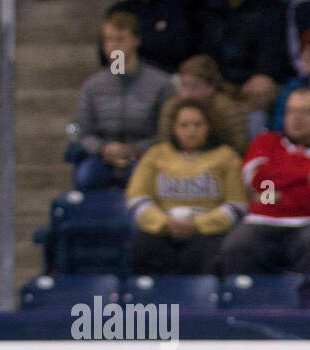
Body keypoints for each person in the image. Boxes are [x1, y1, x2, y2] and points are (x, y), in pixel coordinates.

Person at [220, 88, 310, 277]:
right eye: (291, 111)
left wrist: (276, 195)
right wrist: (307, 178)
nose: (296, 118)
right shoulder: (266, 143)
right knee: (236, 245)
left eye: (305, 112)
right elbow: (258, 181)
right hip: (260, 222)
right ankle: (240, 305)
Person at [126, 98, 248, 274]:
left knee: (208, 253)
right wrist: (164, 222)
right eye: (184, 125)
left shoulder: (227, 157)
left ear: (209, 127)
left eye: (198, 125)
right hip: (163, 227)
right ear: (174, 128)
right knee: (143, 246)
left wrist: (198, 224)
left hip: (208, 231)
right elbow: (137, 197)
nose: (191, 131)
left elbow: (237, 204)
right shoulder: (155, 154)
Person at [72, 11, 176, 190]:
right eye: (108, 39)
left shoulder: (161, 84)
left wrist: (136, 149)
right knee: (86, 175)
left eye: (120, 39)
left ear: (136, 40)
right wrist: (103, 148)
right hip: (103, 157)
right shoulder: (93, 86)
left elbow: (167, 133)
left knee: (144, 177)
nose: (114, 46)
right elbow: (84, 132)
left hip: (146, 157)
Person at [158, 55, 250, 157]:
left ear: (211, 87)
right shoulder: (172, 106)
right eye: (184, 85)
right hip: (177, 161)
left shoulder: (227, 108)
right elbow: (165, 142)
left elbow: (239, 145)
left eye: (194, 86)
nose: (188, 93)